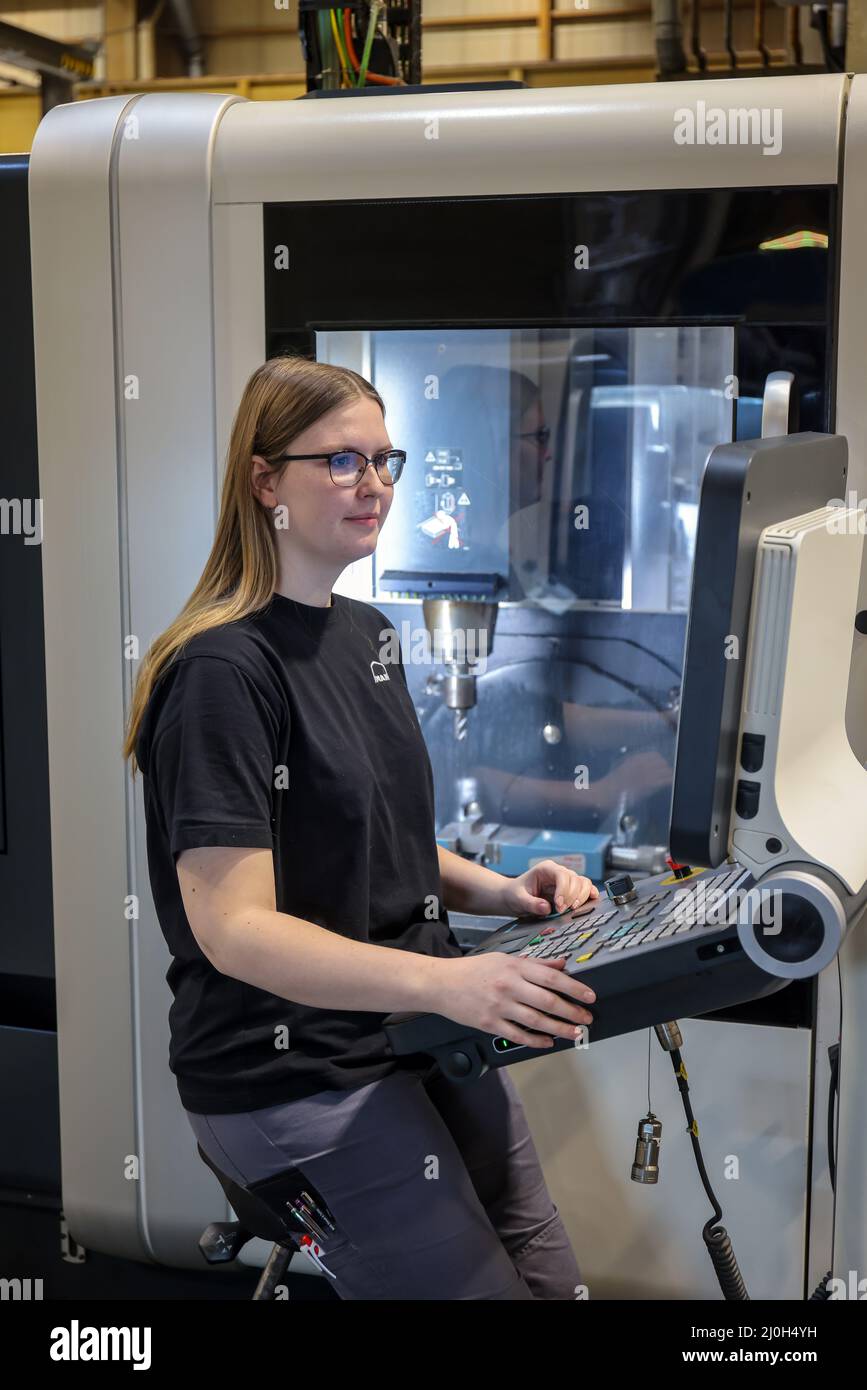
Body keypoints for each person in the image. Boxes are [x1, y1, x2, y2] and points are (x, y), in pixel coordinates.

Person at [122, 352, 600, 1300]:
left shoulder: (366, 635)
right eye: (340, 462)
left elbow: (372, 835)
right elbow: (236, 930)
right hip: (295, 1076)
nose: (373, 484)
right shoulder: (222, 673)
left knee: (552, 1278)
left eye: (385, 460)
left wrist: (503, 891)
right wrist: (450, 981)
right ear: (266, 482)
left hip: (412, 1032)